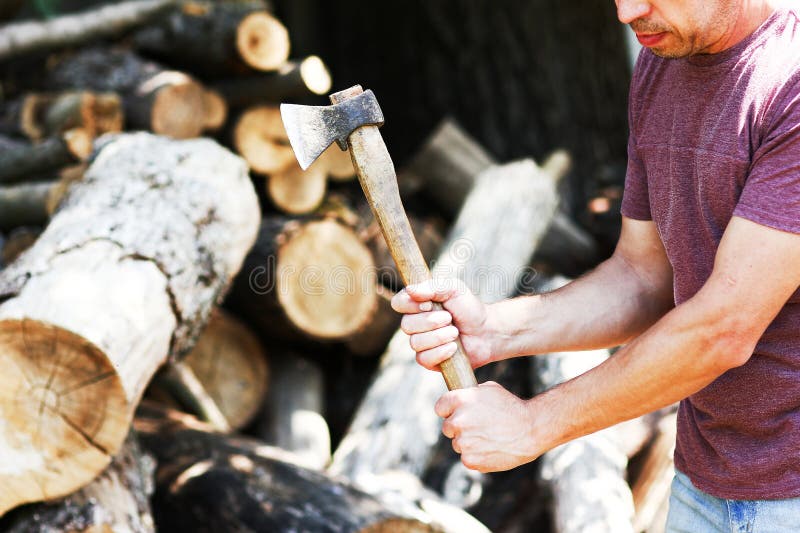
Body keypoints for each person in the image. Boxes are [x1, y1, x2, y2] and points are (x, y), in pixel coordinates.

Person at [391, 0, 800, 530]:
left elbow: (724, 328)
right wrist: (493, 330)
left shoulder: (789, 87)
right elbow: (642, 279)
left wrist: (533, 424)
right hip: (704, 484)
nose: (627, 12)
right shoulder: (662, 65)